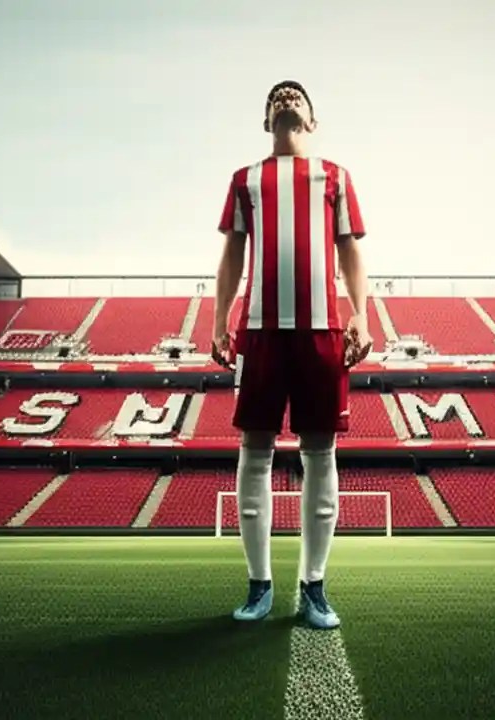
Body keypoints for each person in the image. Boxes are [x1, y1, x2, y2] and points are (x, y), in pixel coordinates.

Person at [211, 80, 371, 630]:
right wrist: (218, 319)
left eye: (296, 94)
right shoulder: (246, 179)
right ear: (265, 121)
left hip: (323, 331)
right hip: (259, 331)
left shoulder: (337, 176)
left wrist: (360, 314)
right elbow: (232, 254)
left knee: (320, 451)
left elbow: (350, 250)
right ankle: (259, 585)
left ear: (313, 119)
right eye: (276, 95)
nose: (286, 97)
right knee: (255, 449)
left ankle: (314, 586)